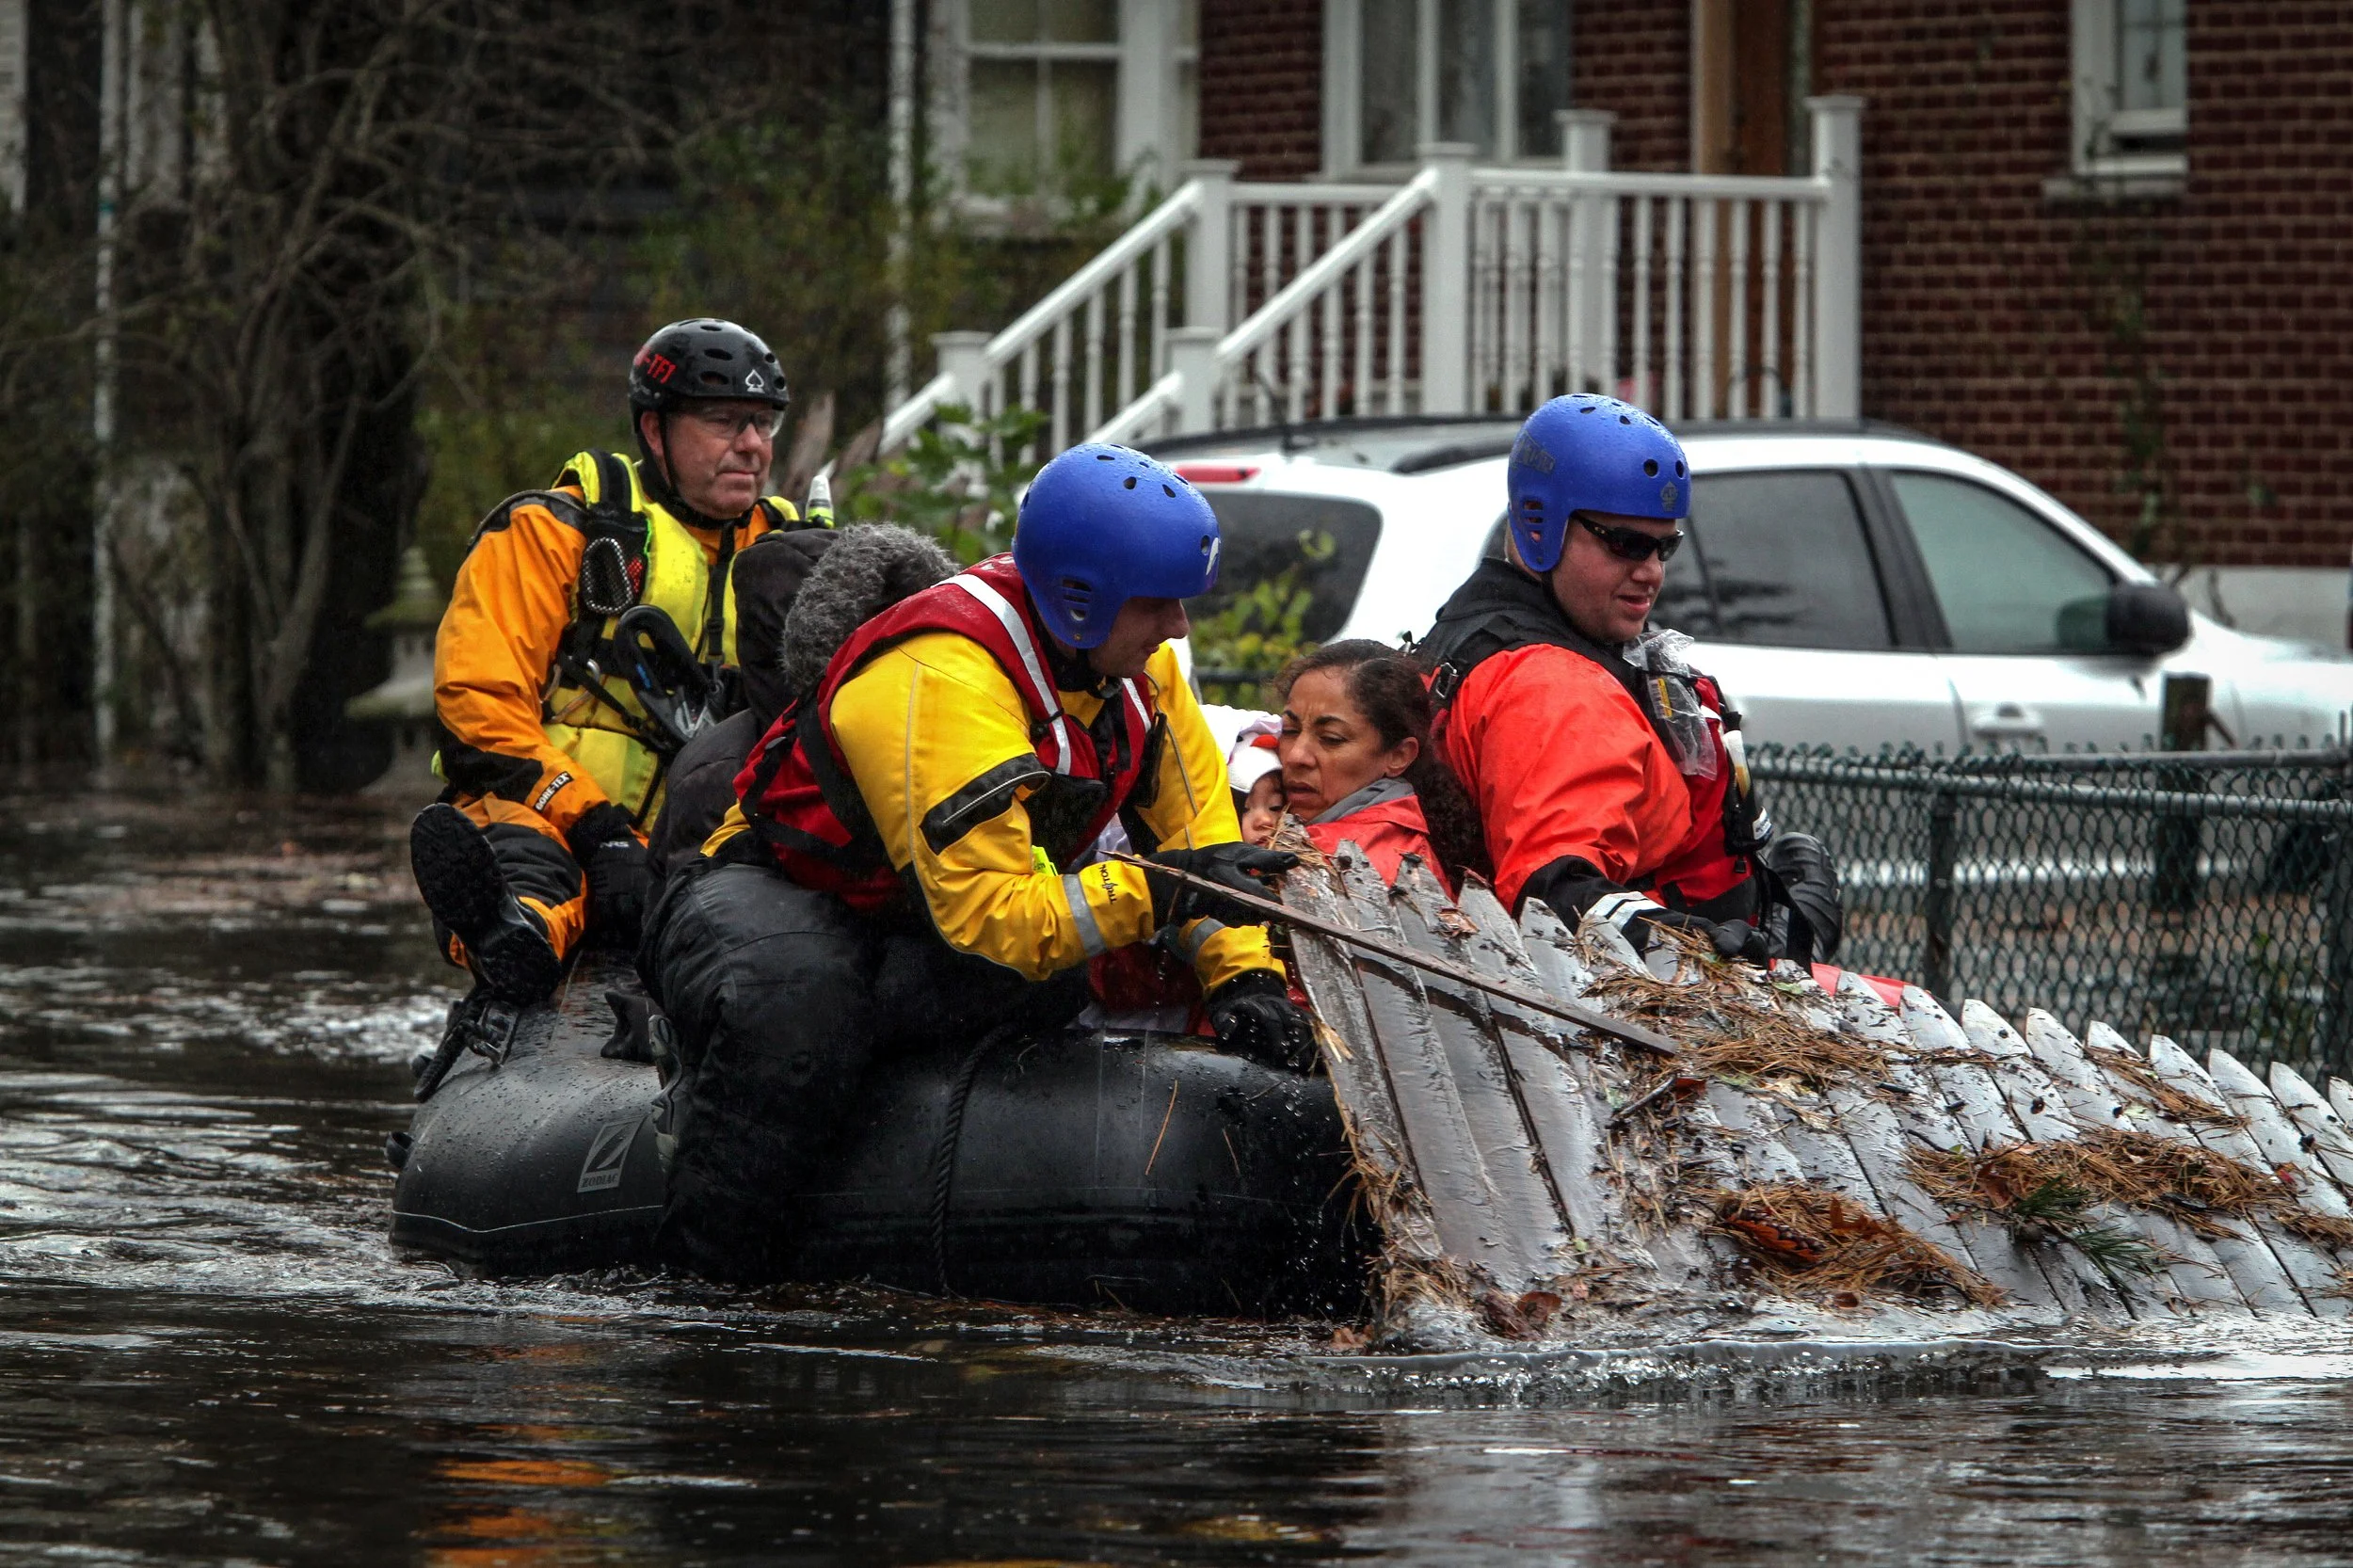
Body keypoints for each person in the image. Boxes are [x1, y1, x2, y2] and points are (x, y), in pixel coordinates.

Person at [643, 443, 1316, 1277]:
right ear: (1082, 600)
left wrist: (1240, 976)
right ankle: (702, 1283)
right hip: (764, 891)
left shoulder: (1139, 669)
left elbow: (1197, 840)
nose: (1178, 626)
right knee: (802, 1004)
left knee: (1056, 981)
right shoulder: (946, 676)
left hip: (909, 913)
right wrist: (1158, 895)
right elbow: (994, 916)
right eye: (1158, 605)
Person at [408, 319, 821, 1013]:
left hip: (708, 838)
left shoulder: (793, 556)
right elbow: (479, 711)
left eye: (762, 423)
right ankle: (513, 935)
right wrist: (597, 827)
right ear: (654, 431)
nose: (751, 445)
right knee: (530, 866)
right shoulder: (556, 532)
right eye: (723, 422)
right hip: (559, 818)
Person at [1414, 393, 1841, 964]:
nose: (1652, 572)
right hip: (1675, 1008)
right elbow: (1555, 894)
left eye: (1666, 546)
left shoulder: (1475, 628)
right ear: (1541, 525)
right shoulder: (1556, 689)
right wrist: (1708, 952)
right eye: (1627, 544)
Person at [1273, 640, 1484, 893]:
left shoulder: (1355, 868)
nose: (1296, 756)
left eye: (1331, 739)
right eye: (1289, 730)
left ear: (1398, 755)